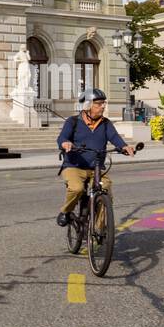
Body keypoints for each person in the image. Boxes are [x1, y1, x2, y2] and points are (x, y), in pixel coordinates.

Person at [56, 88, 134, 227]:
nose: (103, 106)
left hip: (97, 168)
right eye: (98, 103)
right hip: (74, 166)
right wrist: (65, 143)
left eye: (103, 103)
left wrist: (124, 146)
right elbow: (62, 137)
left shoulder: (105, 123)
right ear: (87, 106)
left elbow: (115, 137)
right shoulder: (73, 121)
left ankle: (100, 230)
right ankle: (65, 212)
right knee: (77, 188)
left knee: (106, 189)